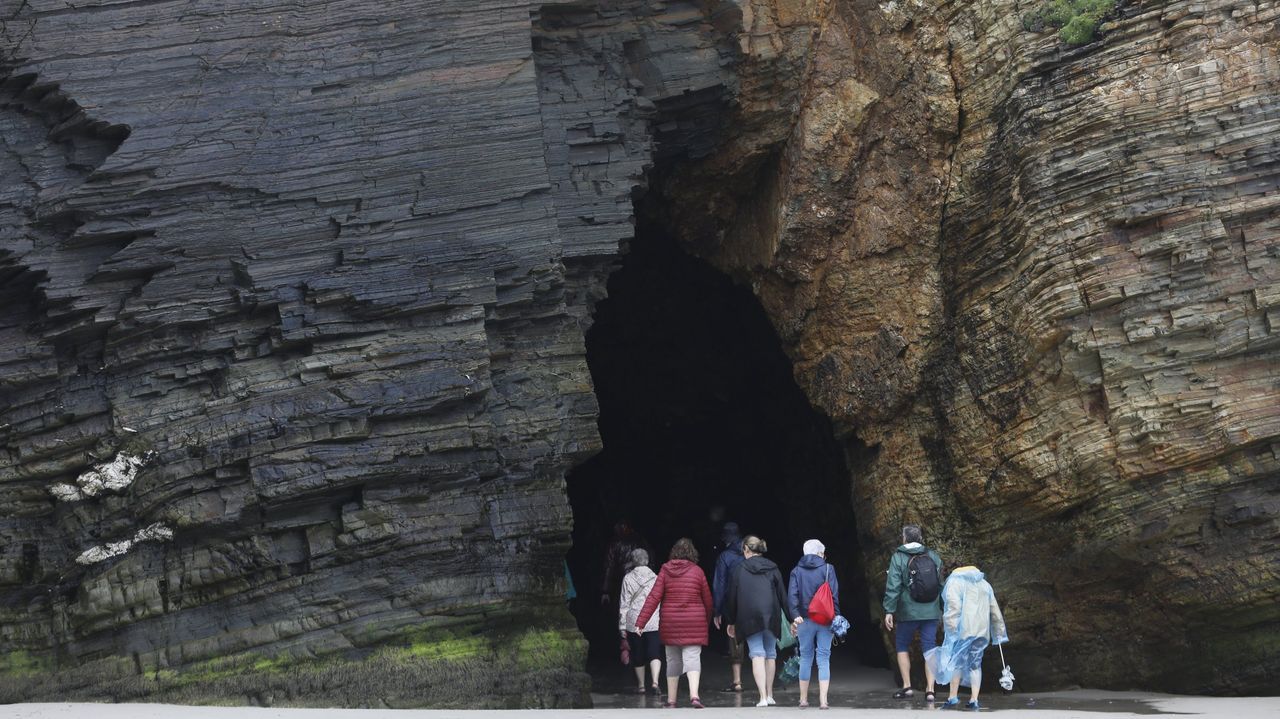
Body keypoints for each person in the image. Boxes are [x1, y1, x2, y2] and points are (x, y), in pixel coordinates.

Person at [636, 538, 714, 709]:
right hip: (694, 622)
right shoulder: (698, 572)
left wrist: (641, 622)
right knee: (692, 658)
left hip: (670, 622)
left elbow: (654, 597)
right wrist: (706, 621)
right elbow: (708, 601)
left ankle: (672, 701)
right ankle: (694, 696)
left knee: (672, 661)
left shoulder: (665, 570)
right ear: (692, 553)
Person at [723, 536, 800, 708]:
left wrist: (731, 621)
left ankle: (763, 697)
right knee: (770, 654)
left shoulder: (739, 569)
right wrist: (791, 619)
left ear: (746, 550)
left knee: (757, 653)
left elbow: (732, 598)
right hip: (771, 615)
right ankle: (771, 694)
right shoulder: (773, 568)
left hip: (748, 617)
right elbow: (782, 595)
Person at [926, 561, 1008, 710]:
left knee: (956, 662)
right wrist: (999, 632)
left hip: (962, 631)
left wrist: (950, 630)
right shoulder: (985, 584)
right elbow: (995, 610)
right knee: (975, 663)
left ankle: (952, 697)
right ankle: (974, 699)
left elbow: (953, 607)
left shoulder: (955, 582)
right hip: (982, 632)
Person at [882, 524, 944, 701]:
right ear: (920, 538)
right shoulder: (932, 555)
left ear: (904, 539)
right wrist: (943, 608)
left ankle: (907, 686)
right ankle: (930, 689)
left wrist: (889, 610)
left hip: (908, 611)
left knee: (902, 645)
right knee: (929, 647)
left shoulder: (898, 557)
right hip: (931, 611)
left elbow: (893, 586)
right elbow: (940, 584)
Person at [788, 539, 840, 709]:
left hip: (803, 619)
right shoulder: (827, 568)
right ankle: (823, 701)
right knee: (824, 657)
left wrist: (795, 615)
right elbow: (833, 595)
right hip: (825, 619)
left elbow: (792, 595)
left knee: (806, 657)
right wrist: (836, 617)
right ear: (819, 553)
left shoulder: (796, 571)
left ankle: (803, 699)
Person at [619, 548, 663, 695]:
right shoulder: (656, 578)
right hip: (652, 621)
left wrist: (622, 626)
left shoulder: (628, 578)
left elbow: (624, 604)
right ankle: (655, 682)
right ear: (647, 560)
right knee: (654, 652)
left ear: (633, 561)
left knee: (638, 654)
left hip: (634, 622)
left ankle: (642, 686)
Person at [711, 521, 746, 693]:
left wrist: (717, 610)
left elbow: (720, 584)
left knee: (734, 640)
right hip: (753, 601)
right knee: (756, 642)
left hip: (733, 604)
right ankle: (764, 686)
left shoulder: (725, 557)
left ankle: (737, 681)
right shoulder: (750, 553)